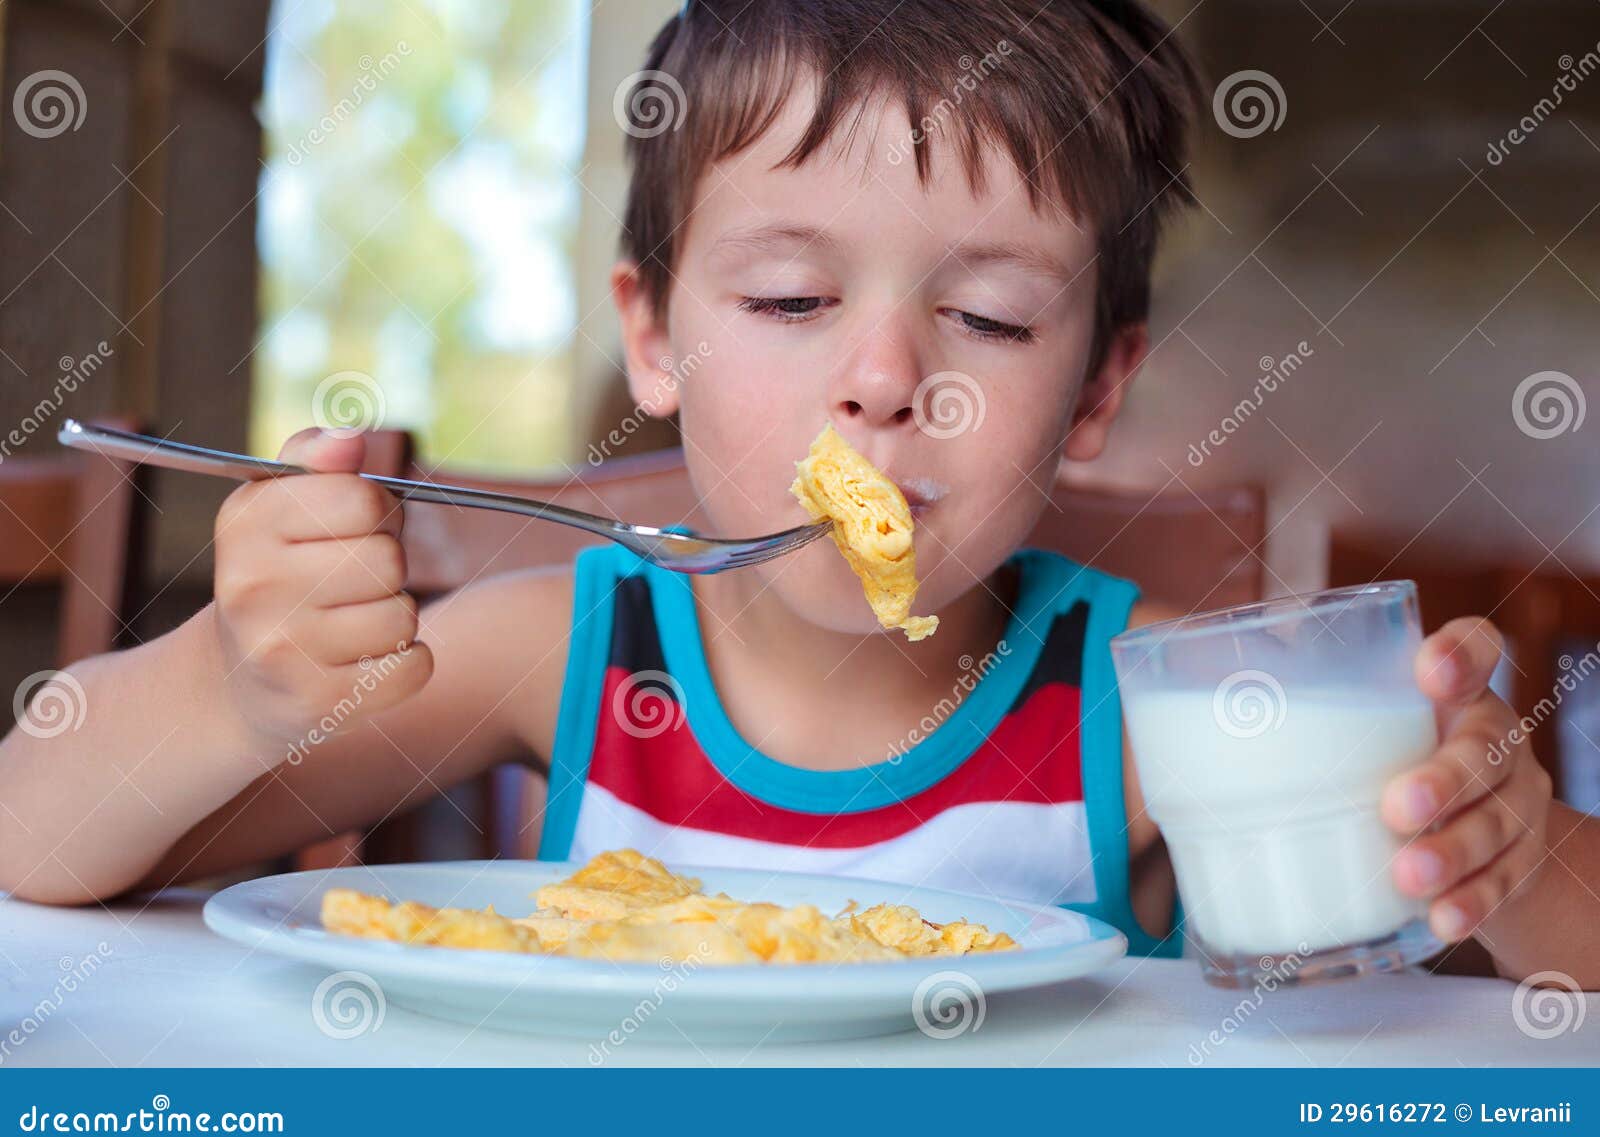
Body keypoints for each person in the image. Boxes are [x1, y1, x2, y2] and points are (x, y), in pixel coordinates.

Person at [3, 0, 1593, 986]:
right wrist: (229, 679)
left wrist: (1502, 855)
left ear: (1098, 388)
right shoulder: (555, 650)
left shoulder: (1148, 702)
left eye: (986, 316)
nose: (885, 379)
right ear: (655, 336)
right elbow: (32, 845)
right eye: (786, 301)